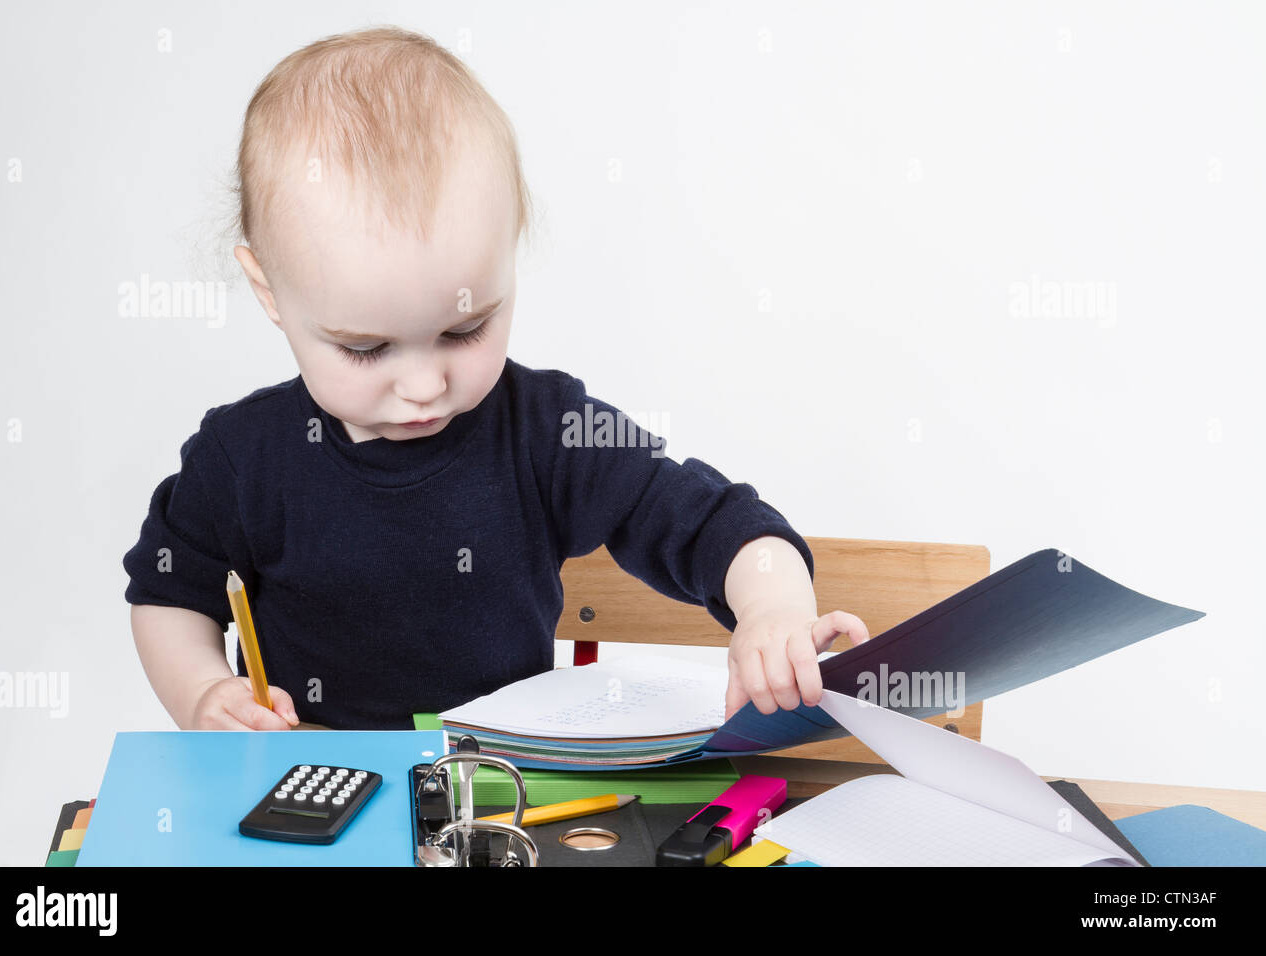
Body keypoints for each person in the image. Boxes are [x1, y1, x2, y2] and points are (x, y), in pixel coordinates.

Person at [123, 26, 869, 732]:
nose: (422, 384)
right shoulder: (240, 457)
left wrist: (771, 609)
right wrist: (203, 692)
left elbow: (711, 523)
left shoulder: (547, 429)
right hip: (313, 780)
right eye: (365, 348)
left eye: (463, 330)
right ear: (269, 291)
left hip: (500, 786)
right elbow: (167, 595)